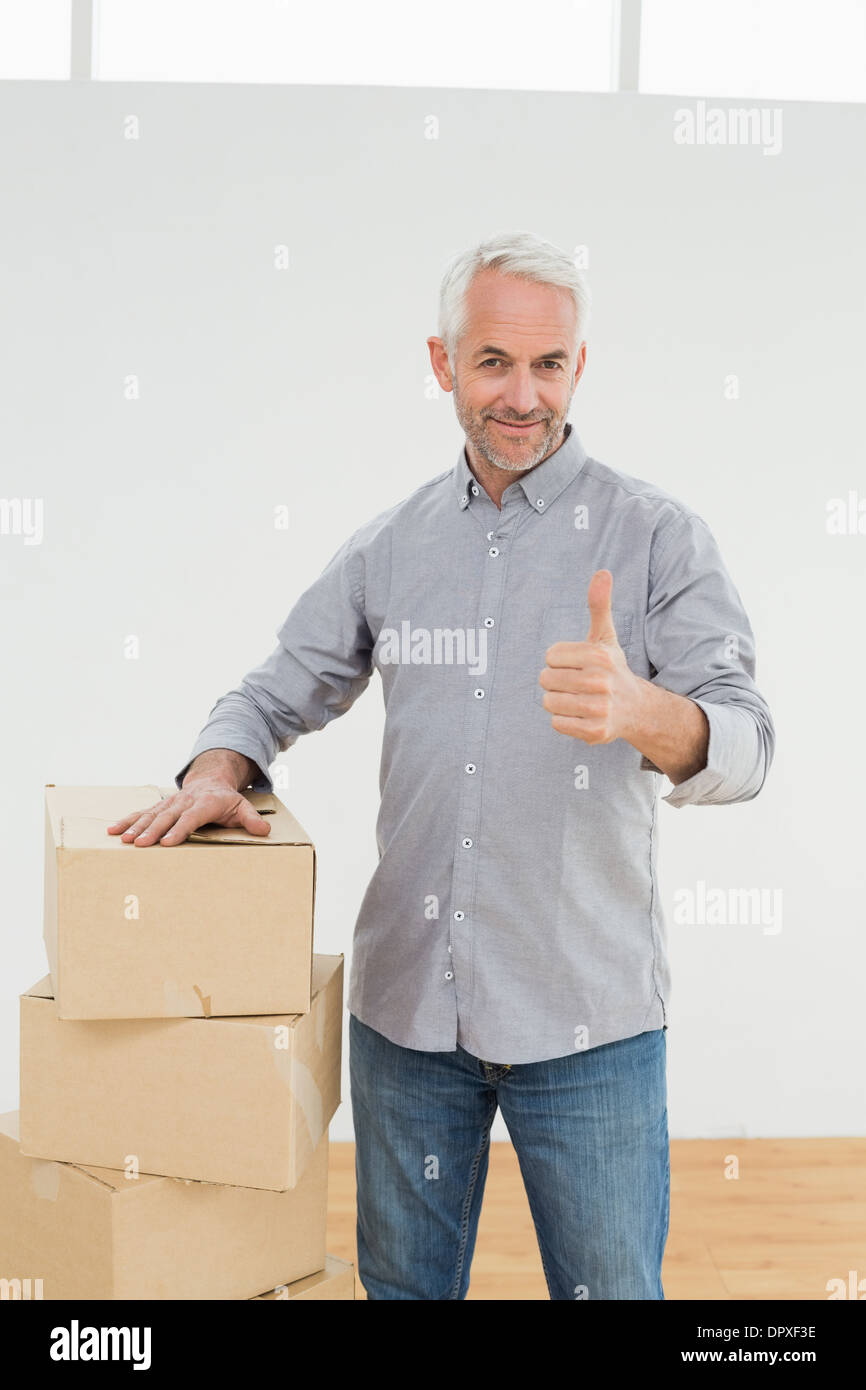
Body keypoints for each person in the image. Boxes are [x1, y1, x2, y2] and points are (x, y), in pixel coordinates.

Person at [108, 230, 775, 1300]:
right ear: (442, 363)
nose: (522, 395)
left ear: (578, 366)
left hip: (589, 1026)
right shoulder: (391, 546)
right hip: (410, 1021)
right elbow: (272, 691)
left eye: (548, 364)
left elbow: (748, 744)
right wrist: (216, 771)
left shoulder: (657, 539)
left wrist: (646, 710)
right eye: (493, 362)